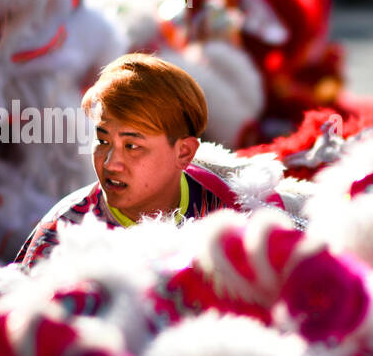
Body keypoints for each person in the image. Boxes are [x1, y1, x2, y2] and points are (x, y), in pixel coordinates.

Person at [15, 54, 241, 270]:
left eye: (132, 146)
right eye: (103, 140)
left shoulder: (228, 210)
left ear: (183, 153)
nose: (111, 164)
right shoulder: (63, 235)